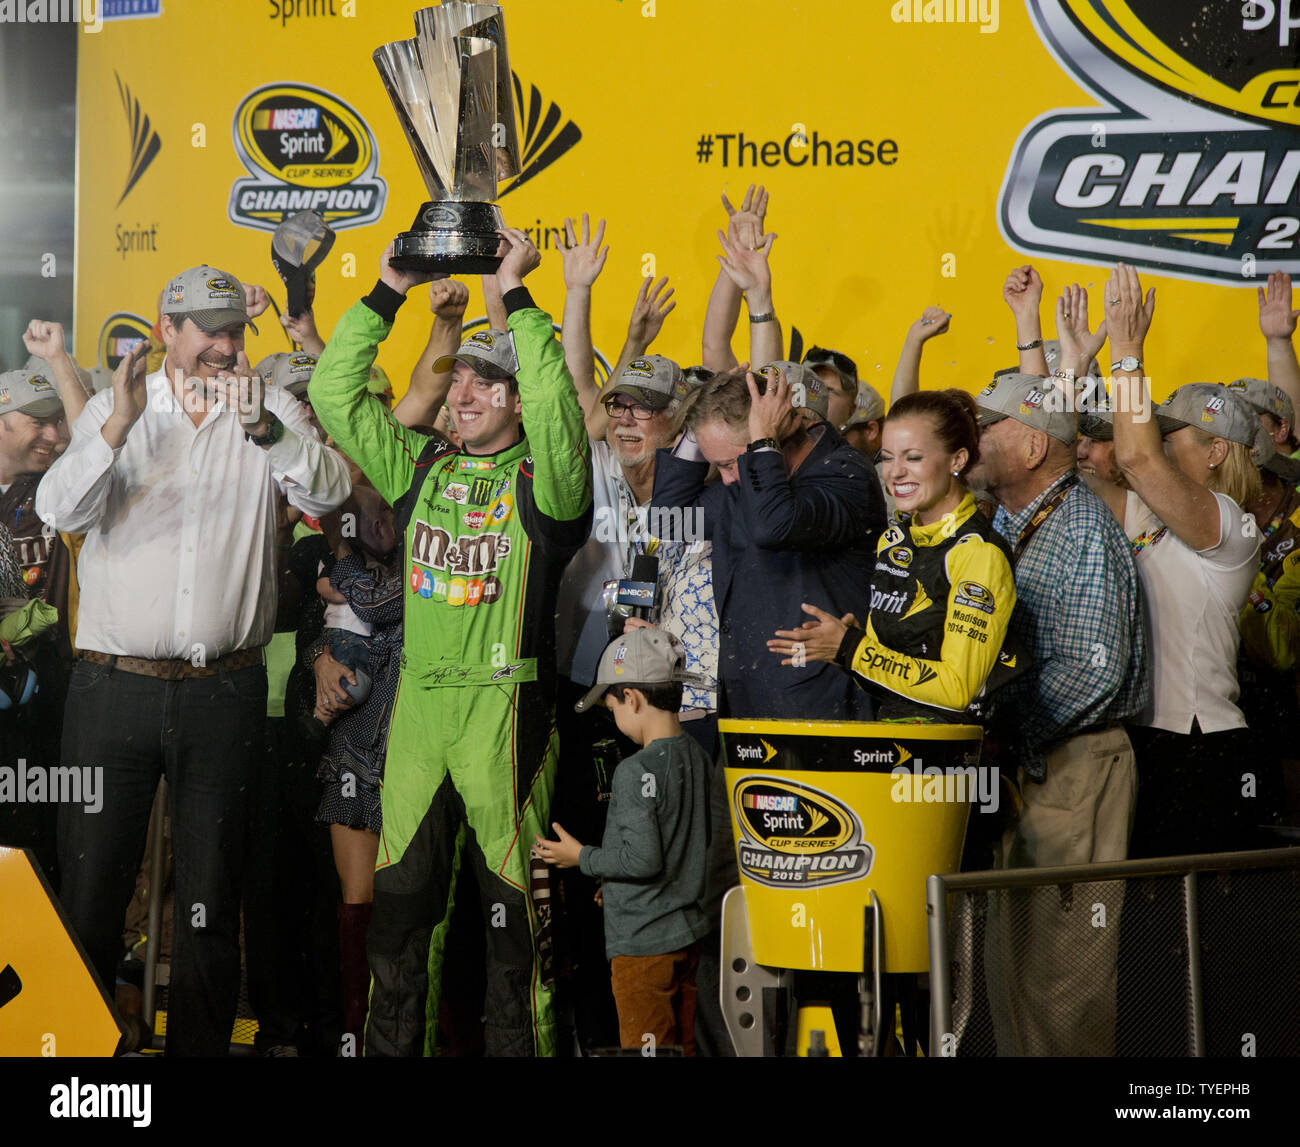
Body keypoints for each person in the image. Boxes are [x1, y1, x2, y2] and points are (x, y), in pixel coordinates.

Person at [36, 265, 351, 1056]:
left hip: (226, 693)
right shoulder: (117, 408)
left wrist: (267, 432)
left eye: (232, 330)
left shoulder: (269, 407)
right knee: (92, 895)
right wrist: (114, 427)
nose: (222, 344)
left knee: (212, 902)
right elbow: (58, 509)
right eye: (206, 329)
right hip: (113, 692)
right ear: (166, 330)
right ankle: (82, 1065)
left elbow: (332, 491)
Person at [308, 230, 593, 1058]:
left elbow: (557, 408)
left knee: (513, 932)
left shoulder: (549, 484)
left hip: (506, 709)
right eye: (460, 376)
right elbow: (335, 393)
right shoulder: (421, 469)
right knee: (399, 919)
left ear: (515, 401)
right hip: (421, 707)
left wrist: (516, 298)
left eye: (487, 382)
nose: (465, 392)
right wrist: (388, 288)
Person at [969, 367, 1148, 1058]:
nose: (975, 437)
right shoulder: (1005, 521)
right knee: (1010, 969)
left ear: (1037, 444)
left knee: (1063, 976)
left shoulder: (1081, 525)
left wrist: (1007, 738)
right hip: (1029, 768)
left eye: (989, 425)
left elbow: (1095, 668)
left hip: (1075, 762)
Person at [1098, 265, 1263, 857]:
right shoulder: (1151, 512)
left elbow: (1138, 459)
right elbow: (1076, 472)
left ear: (1217, 450)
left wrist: (1126, 351)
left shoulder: (1232, 525)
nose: (1160, 442)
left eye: (1176, 435)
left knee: (1205, 927)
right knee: (1152, 927)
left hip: (1203, 743)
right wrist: (1060, 356)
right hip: (1146, 737)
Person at [767, 389, 1017, 722]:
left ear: (957, 460)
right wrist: (842, 648)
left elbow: (959, 690)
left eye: (912, 457)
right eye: (887, 457)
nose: (895, 472)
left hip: (951, 762)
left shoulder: (978, 554)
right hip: (891, 745)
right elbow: (891, 680)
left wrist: (853, 649)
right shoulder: (894, 540)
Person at [652, 367, 884, 721]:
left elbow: (774, 526)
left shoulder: (842, 473)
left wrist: (762, 441)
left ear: (770, 435)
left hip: (820, 704)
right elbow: (668, 520)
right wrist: (701, 422)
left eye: (731, 464)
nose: (727, 479)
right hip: (746, 697)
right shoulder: (741, 488)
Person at [534, 628, 710, 1056]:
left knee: (645, 1047)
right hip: (689, 934)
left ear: (630, 698)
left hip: (642, 946)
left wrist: (581, 857)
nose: (614, 718)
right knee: (684, 1045)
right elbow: (687, 845)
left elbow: (643, 859)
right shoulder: (698, 755)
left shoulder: (634, 771)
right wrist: (612, 886)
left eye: (611, 706)